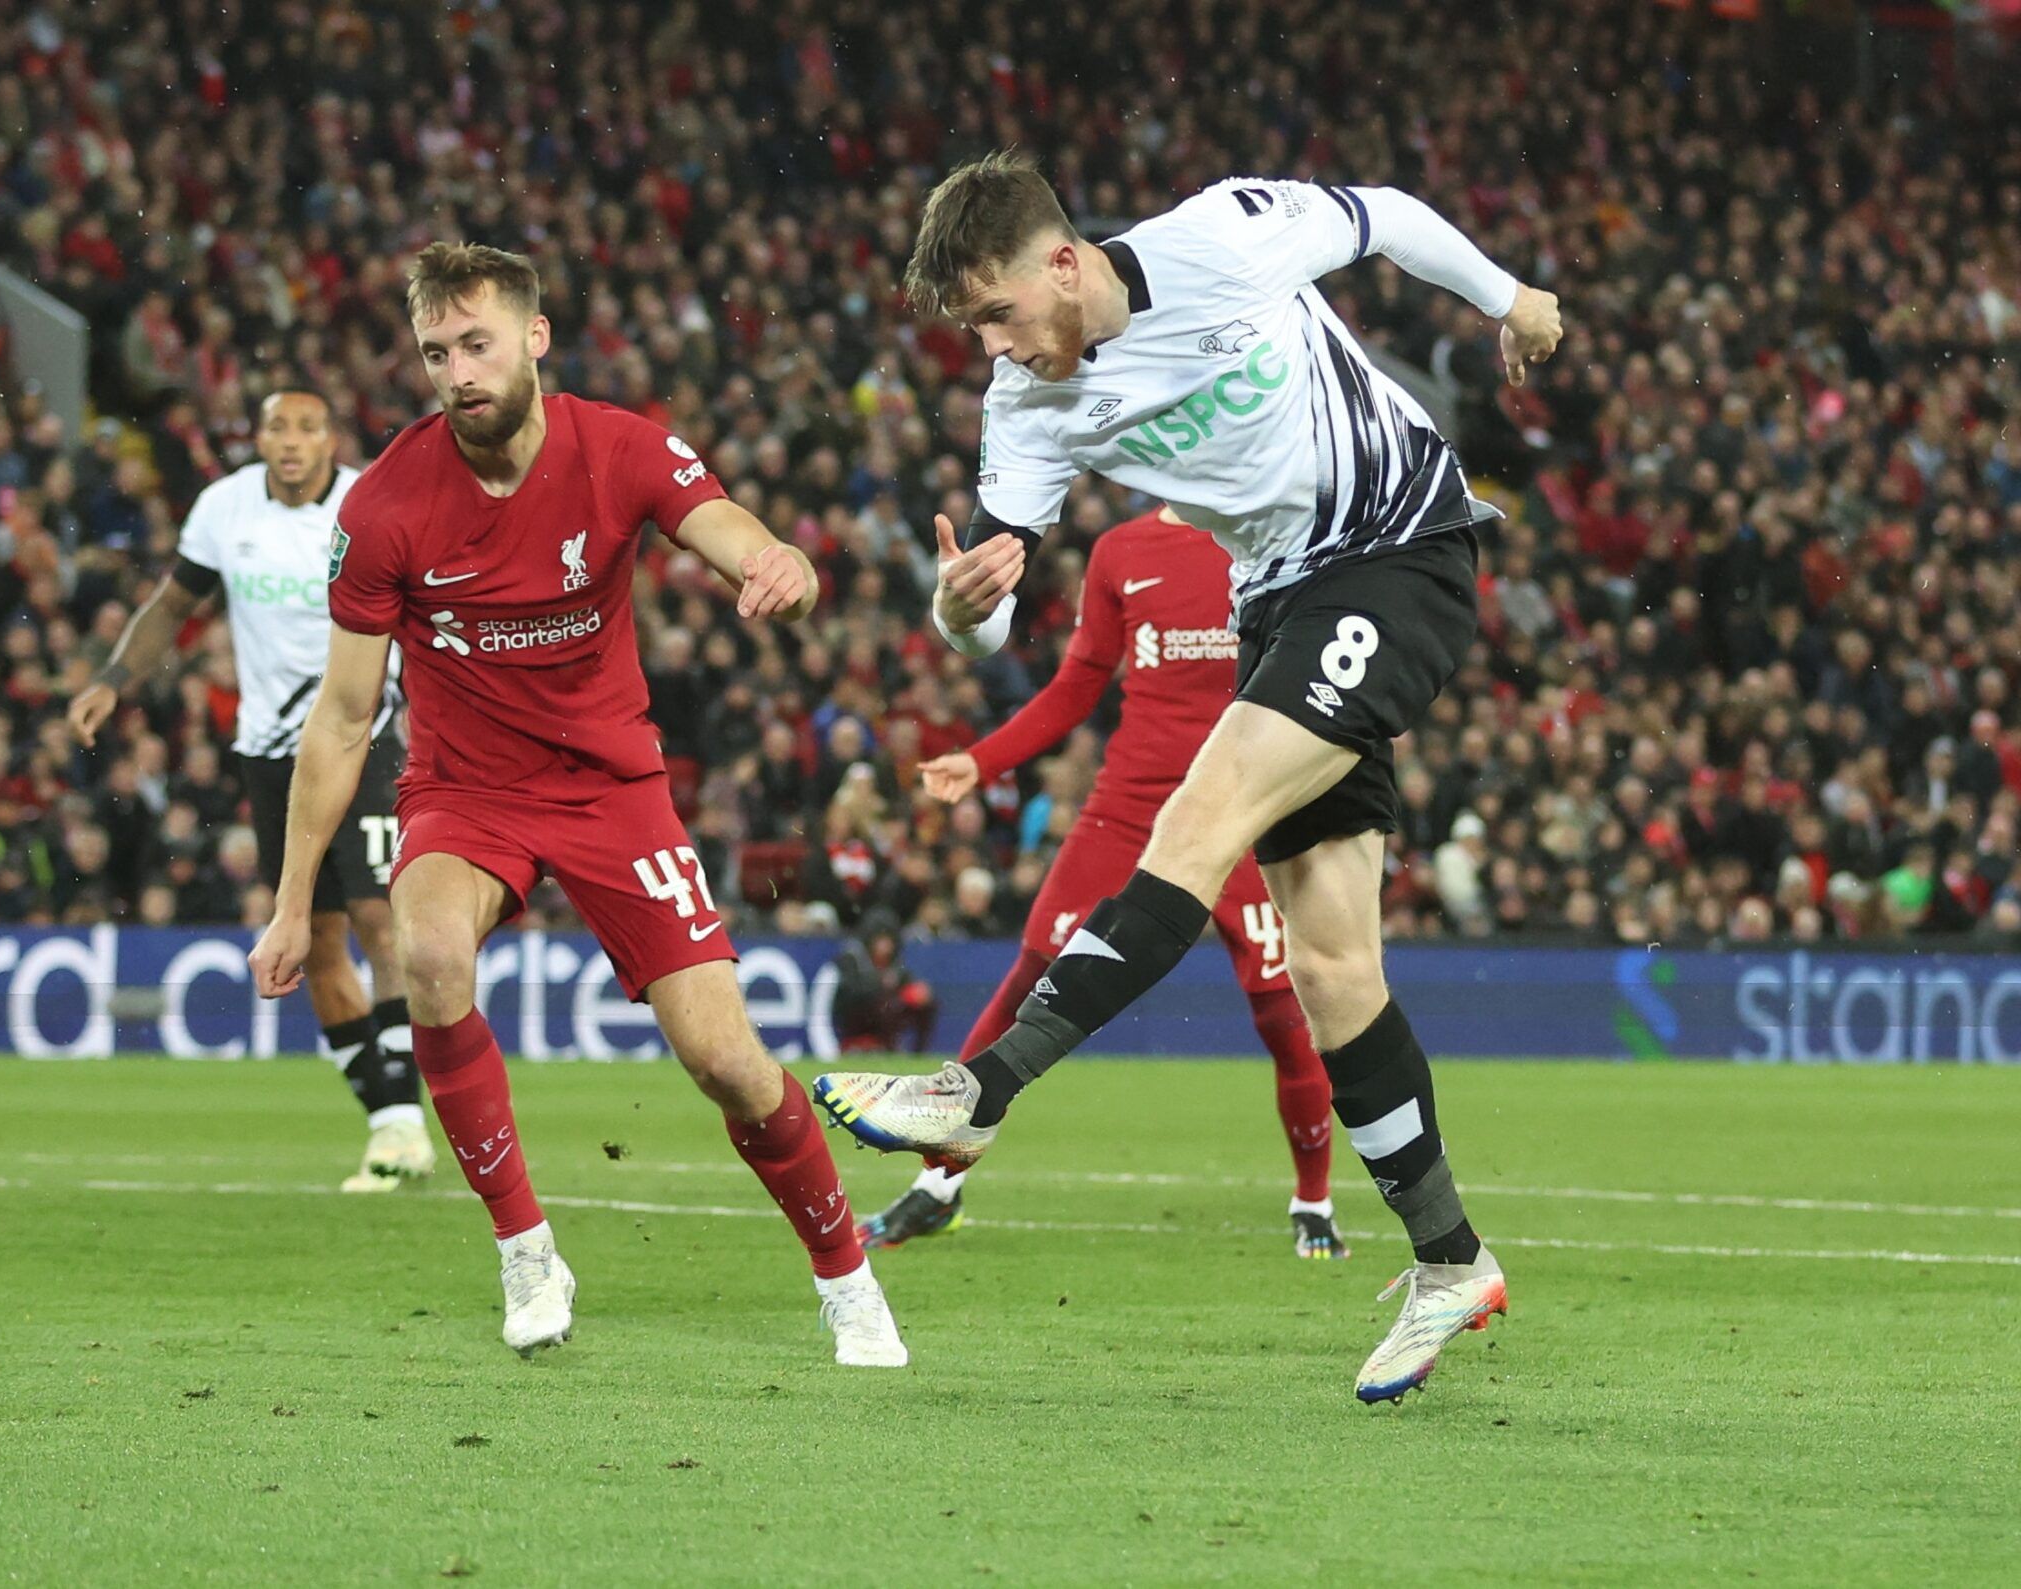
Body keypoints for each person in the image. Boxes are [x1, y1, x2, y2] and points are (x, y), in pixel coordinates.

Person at [813, 152, 1563, 1403]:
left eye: (997, 312)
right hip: (1274, 606)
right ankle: (1450, 1258)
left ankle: (978, 1091)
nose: (993, 346)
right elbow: (991, 614)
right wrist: (958, 612)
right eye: (972, 329)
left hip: (1396, 551)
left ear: (1063, 262)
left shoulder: (1225, 235)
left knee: (1197, 818)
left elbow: (1385, 217)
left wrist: (1510, 297)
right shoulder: (1027, 401)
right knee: (1331, 969)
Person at [246, 242, 906, 1367]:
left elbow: (733, 530)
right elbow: (345, 716)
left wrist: (782, 565)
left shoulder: (622, 447)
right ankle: (525, 1250)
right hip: (465, 791)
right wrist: (290, 899)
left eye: (478, 344)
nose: (458, 372)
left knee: (726, 1060)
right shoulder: (385, 503)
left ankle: (847, 1277)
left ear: (536, 337)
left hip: (612, 788)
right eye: (436, 353)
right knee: (429, 952)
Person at [855, 511, 1344, 1261]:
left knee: (1284, 1011)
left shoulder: (1272, 530)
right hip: (1130, 806)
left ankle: (1313, 1201)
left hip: (1241, 801)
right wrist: (983, 760)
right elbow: (1077, 684)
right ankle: (938, 1185)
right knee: (1032, 974)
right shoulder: (1122, 550)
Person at [68, 388, 430, 1194]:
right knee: (317, 940)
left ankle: (408, 1114)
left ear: (331, 438)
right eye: (278, 428)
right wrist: (113, 679)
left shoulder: (369, 503)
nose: (292, 441)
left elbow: (424, 607)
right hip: (271, 755)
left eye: (307, 427)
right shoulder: (224, 508)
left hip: (366, 734)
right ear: (259, 439)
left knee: (380, 916)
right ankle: (387, 1121)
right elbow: (173, 603)